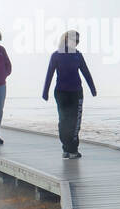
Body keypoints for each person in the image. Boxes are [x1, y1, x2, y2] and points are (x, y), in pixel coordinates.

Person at [42, 30, 97, 159]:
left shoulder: (78, 55)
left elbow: (86, 72)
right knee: (64, 121)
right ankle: (67, 149)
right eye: (73, 40)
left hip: (76, 92)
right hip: (61, 92)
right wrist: (45, 91)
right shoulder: (56, 55)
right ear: (66, 39)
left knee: (75, 122)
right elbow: (49, 74)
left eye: (78, 40)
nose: (76, 43)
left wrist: (92, 88)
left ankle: (72, 149)